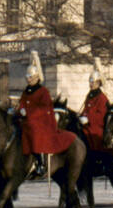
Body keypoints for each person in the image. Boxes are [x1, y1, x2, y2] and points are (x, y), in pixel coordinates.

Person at [16, 50, 76, 179]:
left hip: (42, 122)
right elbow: (22, 102)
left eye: (31, 77)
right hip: (27, 120)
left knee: (34, 130)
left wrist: (29, 113)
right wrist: (19, 109)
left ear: (37, 77)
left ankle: (40, 162)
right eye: (28, 77)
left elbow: (44, 109)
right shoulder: (27, 91)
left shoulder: (43, 92)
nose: (29, 79)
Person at [77, 58, 110, 152]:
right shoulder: (89, 96)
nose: (91, 84)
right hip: (86, 124)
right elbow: (85, 110)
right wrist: (81, 116)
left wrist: (89, 119)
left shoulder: (102, 98)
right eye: (90, 82)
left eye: (93, 82)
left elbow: (102, 115)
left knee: (93, 134)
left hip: (96, 126)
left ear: (98, 83)